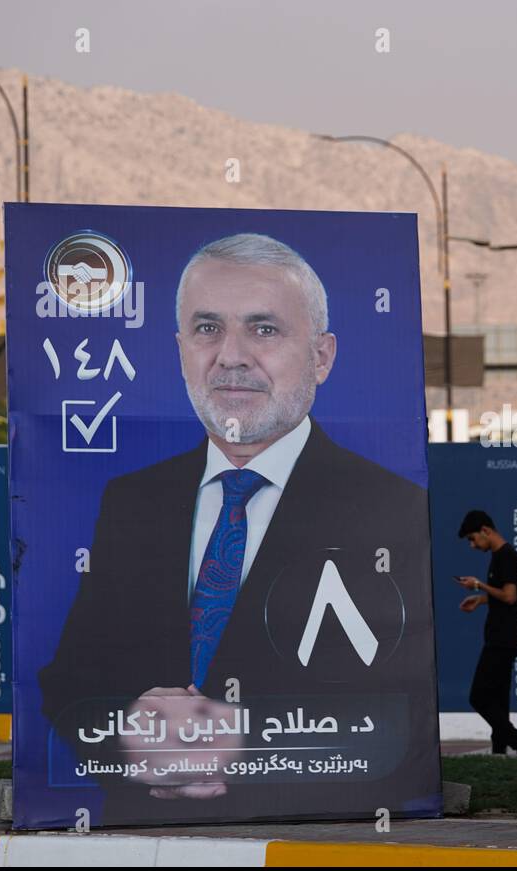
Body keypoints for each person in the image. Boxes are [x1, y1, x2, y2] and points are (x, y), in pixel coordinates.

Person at [38, 232, 439, 824]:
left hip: (318, 840)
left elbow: (405, 712)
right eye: (207, 329)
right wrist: (130, 738)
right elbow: (70, 681)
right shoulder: (132, 502)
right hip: (143, 835)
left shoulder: (391, 507)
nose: (230, 355)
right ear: (180, 349)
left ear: (322, 357)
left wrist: (246, 749)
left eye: (264, 329)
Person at [456, 510, 517, 755]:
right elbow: (504, 595)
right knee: (497, 698)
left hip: (502, 639)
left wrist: (478, 585)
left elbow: (509, 596)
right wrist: (481, 599)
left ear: (486, 531)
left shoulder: (506, 555)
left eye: (473, 539)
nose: (473, 546)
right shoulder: (499, 556)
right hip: (502, 637)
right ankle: (499, 750)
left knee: (479, 697)